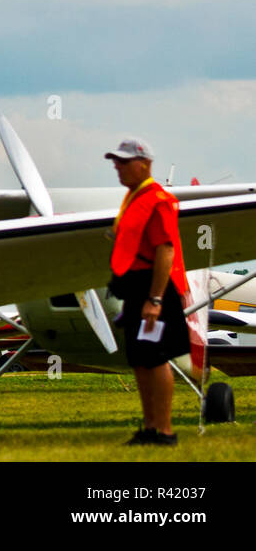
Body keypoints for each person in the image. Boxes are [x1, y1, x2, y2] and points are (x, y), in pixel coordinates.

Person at [106, 138, 189, 446]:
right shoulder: (133, 197)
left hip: (154, 288)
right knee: (140, 359)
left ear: (145, 163)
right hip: (135, 287)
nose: (117, 167)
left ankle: (165, 431)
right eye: (116, 161)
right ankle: (150, 427)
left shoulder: (158, 199)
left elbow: (165, 249)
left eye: (123, 162)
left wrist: (155, 299)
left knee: (155, 358)